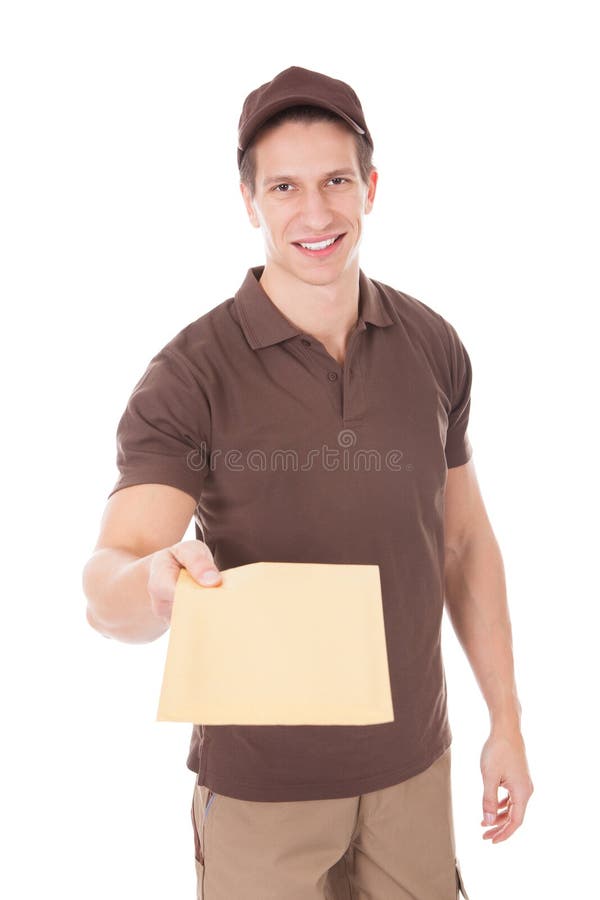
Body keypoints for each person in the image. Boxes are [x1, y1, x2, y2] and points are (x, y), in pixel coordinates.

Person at [82, 65, 533, 899]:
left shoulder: (432, 344)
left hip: (413, 772)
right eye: (285, 187)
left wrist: (505, 722)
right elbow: (108, 575)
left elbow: (465, 542)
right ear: (249, 202)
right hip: (263, 792)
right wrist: (150, 583)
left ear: (371, 187)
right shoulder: (191, 375)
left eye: (335, 181)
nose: (316, 213)